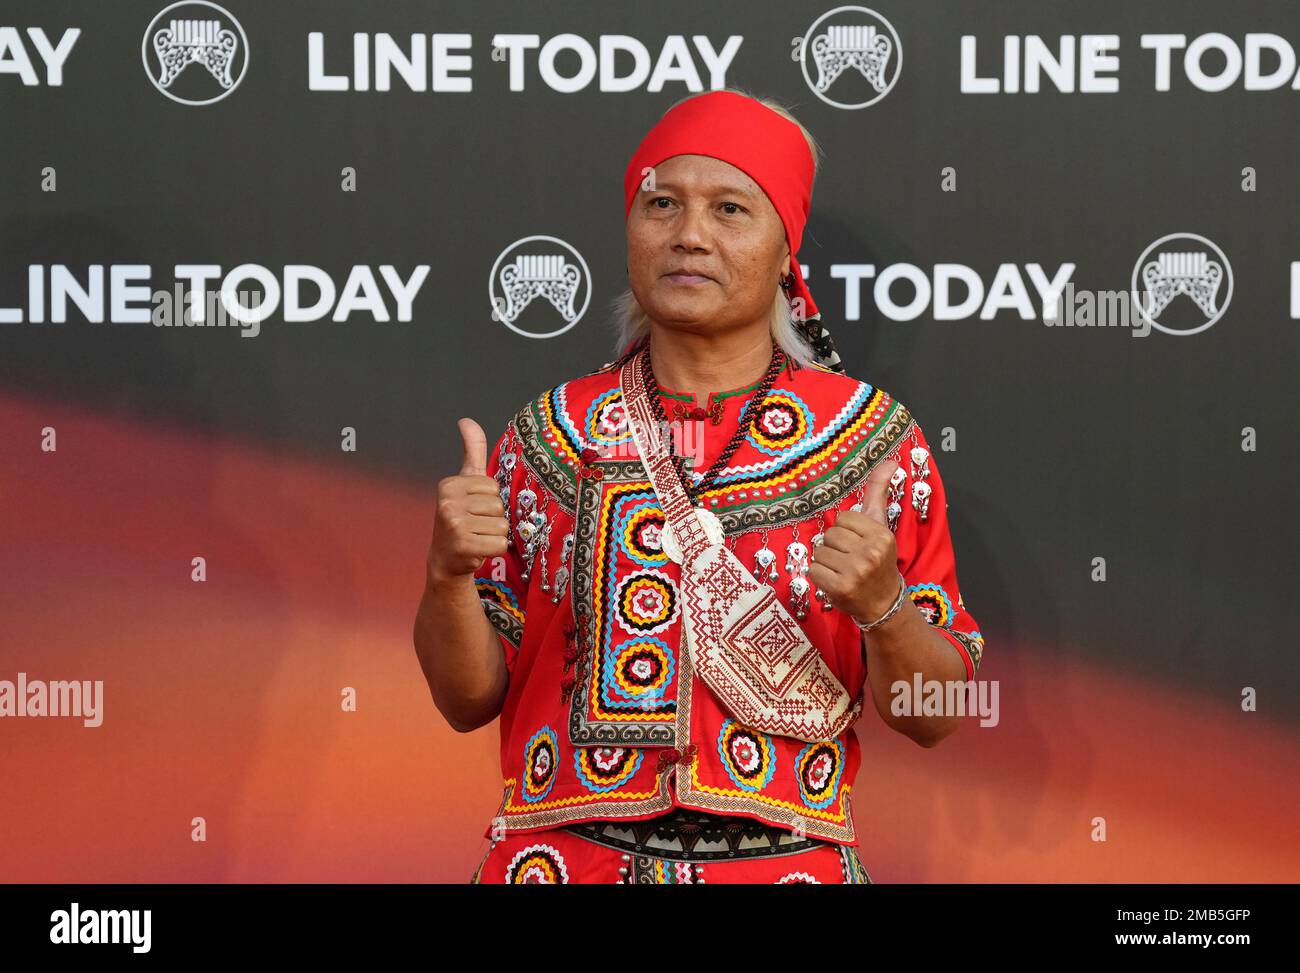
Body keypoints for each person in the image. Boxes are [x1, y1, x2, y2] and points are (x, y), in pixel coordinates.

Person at [413, 89, 985, 885]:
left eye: (730, 209)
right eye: (661, 204)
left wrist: (884, 606)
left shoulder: (873, 444)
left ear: (788, 250)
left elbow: (938, 715)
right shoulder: (545, 436)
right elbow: (464, 697)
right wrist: (446, 574)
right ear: (630, 231)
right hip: (559, 865)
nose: (689, 235)